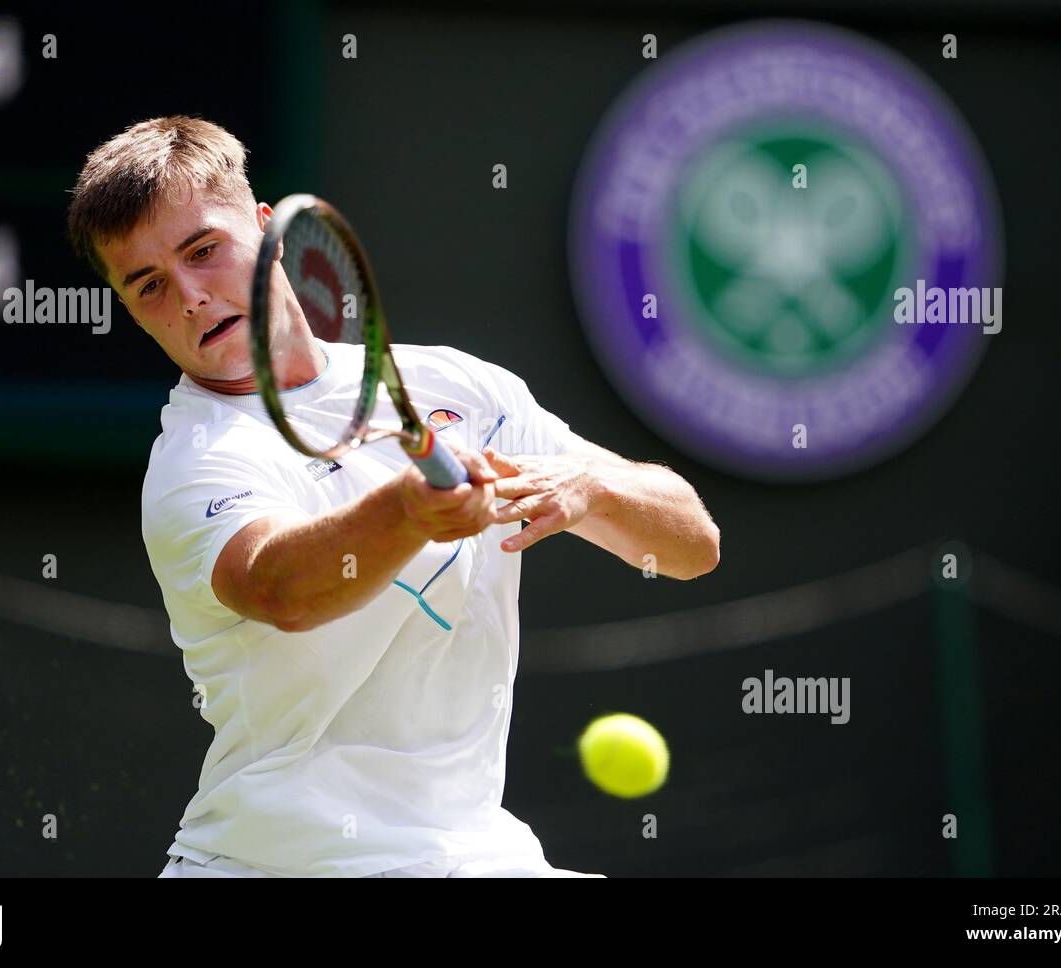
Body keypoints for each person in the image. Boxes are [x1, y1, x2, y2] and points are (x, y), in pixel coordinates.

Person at [66, 115, 721, 878]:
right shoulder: (195, 462)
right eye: (148, 287)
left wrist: (588, 486)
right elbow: (280, 587)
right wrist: (408, 510)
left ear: (269, 232)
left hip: (466, 852)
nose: (188, 297)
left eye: (203, 251)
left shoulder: (456, 384)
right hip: (270, 866)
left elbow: (690, 547)